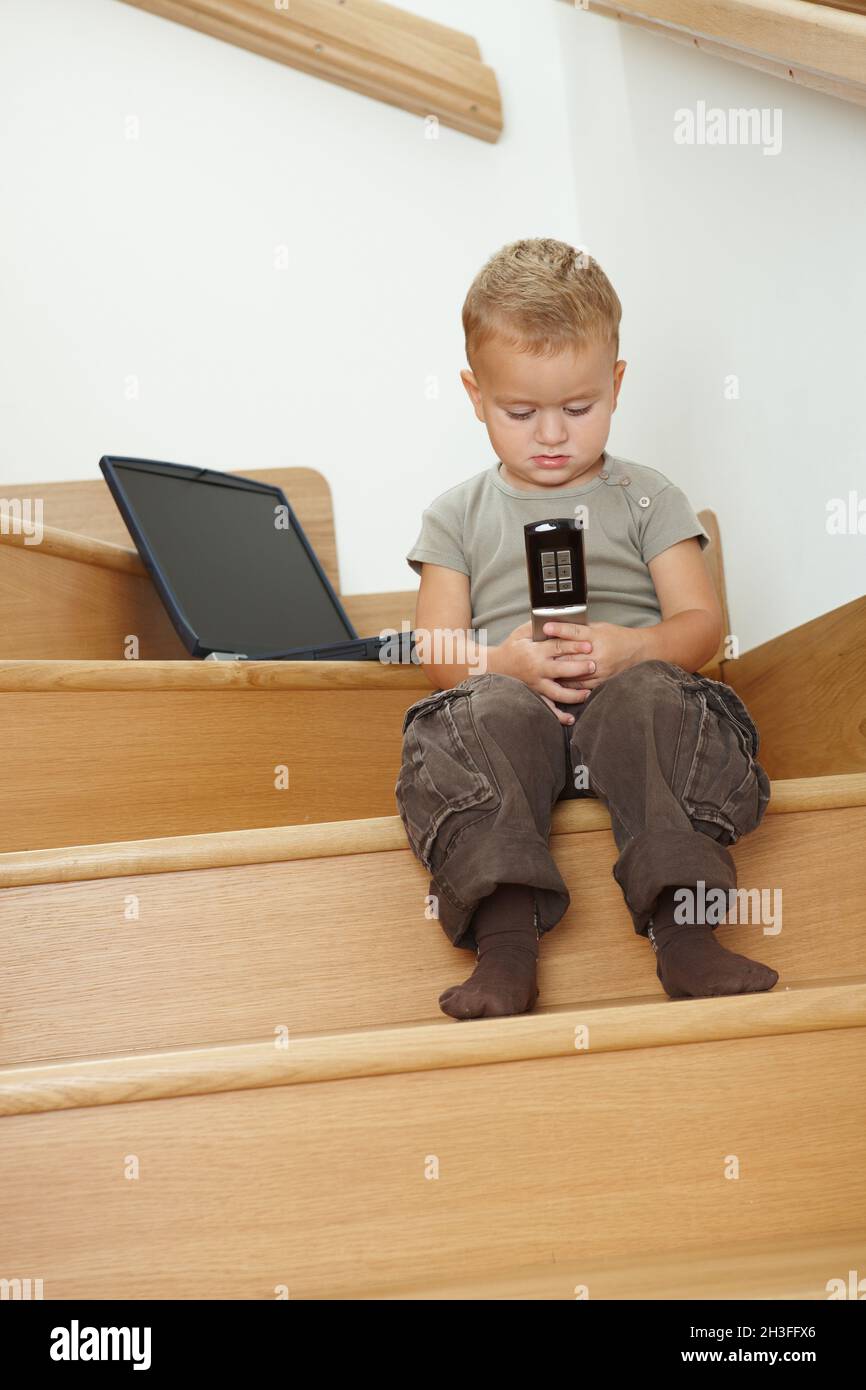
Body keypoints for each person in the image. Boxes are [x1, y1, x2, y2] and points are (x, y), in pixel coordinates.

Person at [396, 237, 776, 1020]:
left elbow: (700, 623)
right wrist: (499, 660)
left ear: (617, 384)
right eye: (519, 411)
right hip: (514, 709)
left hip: (628, 706)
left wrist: (637, 646)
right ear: (474, 394)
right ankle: (505, 952)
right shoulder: (457, 516)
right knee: (481, 714)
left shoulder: (648, 498)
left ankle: (688, 939)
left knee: (656, 700)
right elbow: (435, 648)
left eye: (579, 408)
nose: (551, 435)